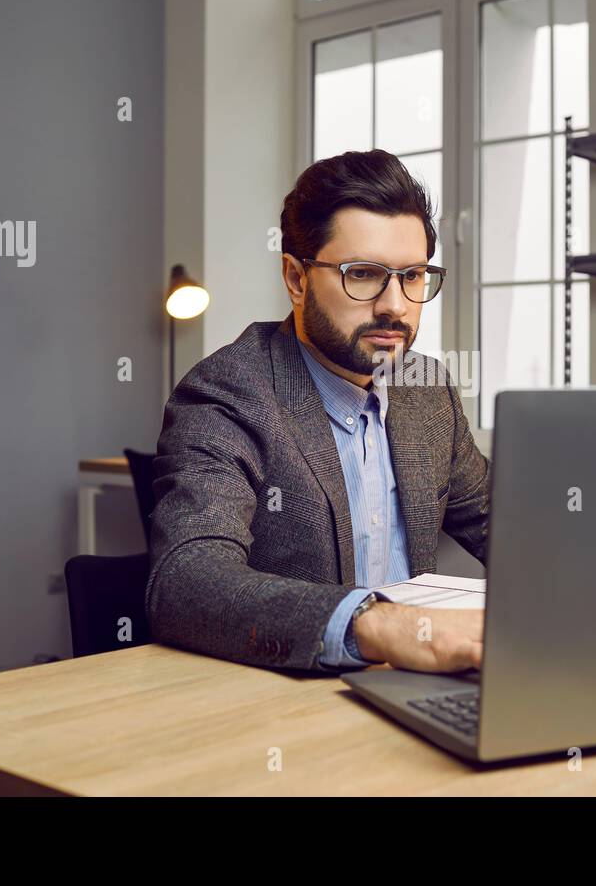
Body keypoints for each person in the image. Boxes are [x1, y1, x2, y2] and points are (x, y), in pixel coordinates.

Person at [146, 149, 488, 674]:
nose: (395, 305)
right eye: (364, 273)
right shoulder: (229, 393)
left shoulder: (426, 390)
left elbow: (502, 527)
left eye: (414, 276)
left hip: (415, 688)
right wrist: (381, 627)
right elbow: (186, 581)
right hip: (283, 704)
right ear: (297, 278)